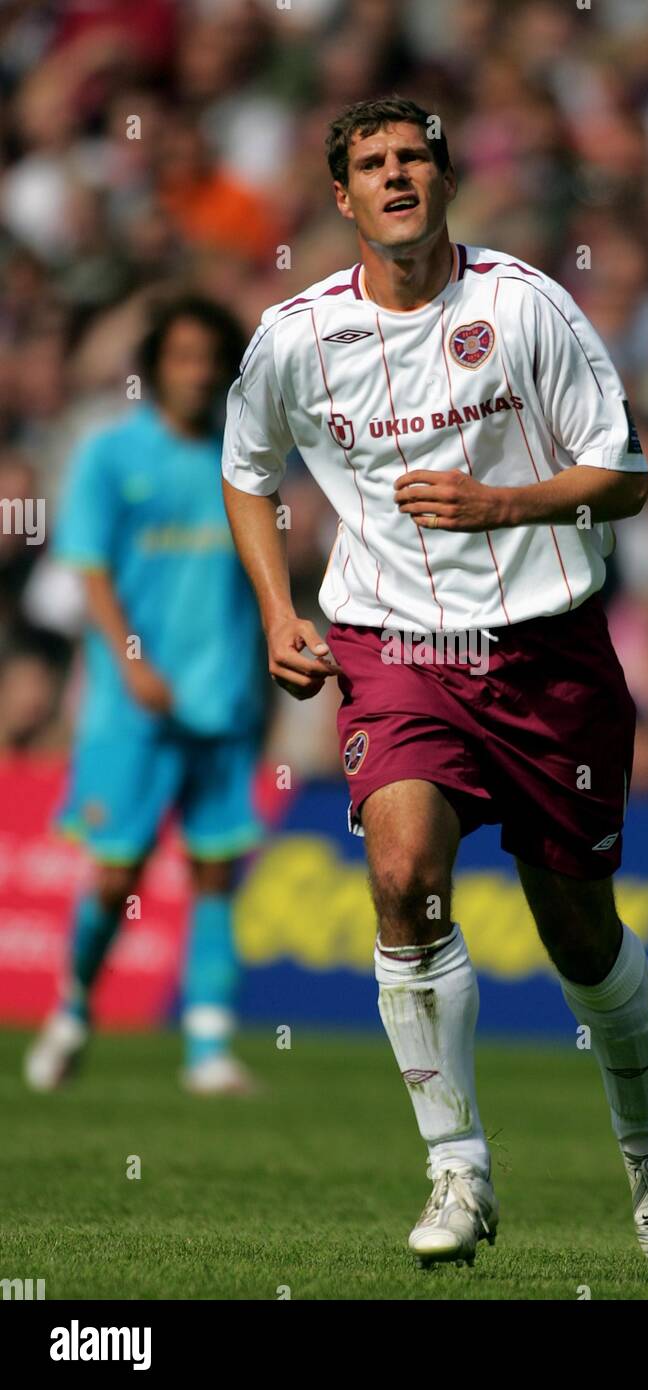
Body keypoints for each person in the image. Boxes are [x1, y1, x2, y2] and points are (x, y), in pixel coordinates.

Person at [221, 97, 648, 1268]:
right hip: (392, 649)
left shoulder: (525, 306)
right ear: (342, 198)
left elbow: (626, 475)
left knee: (579, 932)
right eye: (372, 164)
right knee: (401, 875)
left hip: (546, 651)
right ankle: (456, 1168)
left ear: (445, 181)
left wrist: (505, 504)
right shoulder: (294, 336)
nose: (395, 177)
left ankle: (646, 1144)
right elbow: (245, 471)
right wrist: (281, 612)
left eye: (414, 160)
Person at [25, 296, 267, 1096]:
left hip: (223, 698)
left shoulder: (246, 459)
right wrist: (129, 661)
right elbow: (87, 566)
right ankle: (72, 1008)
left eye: (209, 357)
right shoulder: (109, 454)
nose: (196, 372)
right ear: (156, 366)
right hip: (133, 704)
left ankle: (208, 1048)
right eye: (181, 356)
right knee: (113, 878)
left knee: (215, 869)